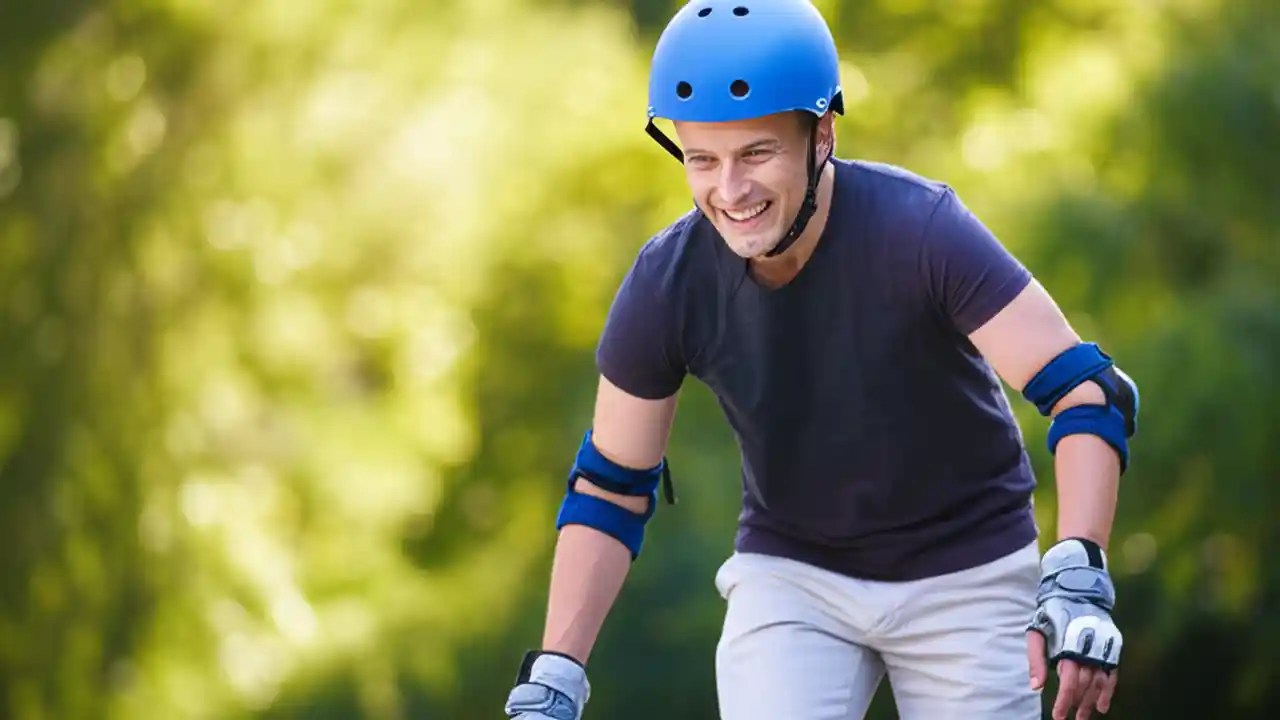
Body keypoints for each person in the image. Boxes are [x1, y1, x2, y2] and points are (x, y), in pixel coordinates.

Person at [502, 1, 1139, 718]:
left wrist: (1079, 569)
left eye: (757, 154)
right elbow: (609, 489)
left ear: (822, 134)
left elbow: (1088, 392)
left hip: (970, 569)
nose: (729, 191)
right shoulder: (668, 283)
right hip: (795, 575)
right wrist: (555, 675)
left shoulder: (921, 231)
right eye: (702, 160)